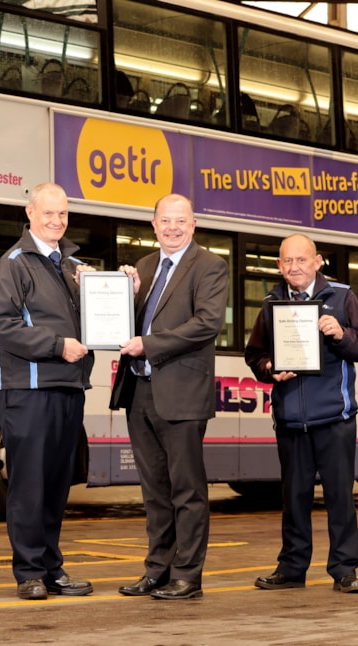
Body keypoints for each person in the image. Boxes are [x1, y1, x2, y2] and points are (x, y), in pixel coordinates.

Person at [244, 233, 358, 593]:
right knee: (294, 499)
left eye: (301, 260)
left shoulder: (342, 296)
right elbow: (253, 355)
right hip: (290, 419)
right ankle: (292, 567)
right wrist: (269, 366)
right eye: (287, 261)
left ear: (317, 262)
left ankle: (345, 569)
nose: (294, 267)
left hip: (334, 418)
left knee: (339, 497)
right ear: (279, 265)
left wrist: (342, 334)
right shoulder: (272, 302)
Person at [110, 194, 228, 600]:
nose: (173, 227)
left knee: (187, 490)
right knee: (154, 490)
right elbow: (128, 326)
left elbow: (206, 324)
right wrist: (124, 295)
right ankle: (157, 569)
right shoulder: (143, 267)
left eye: (181, 221)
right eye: (166, 221)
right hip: (139, 391)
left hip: (182, 394)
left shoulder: (211, 266)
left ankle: (187, 575)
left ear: (193, 224)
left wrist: (150, 345)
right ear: (154, 225)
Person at [0, 183, 95, 600]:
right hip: (30, 390)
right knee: (29, 484)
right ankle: (29, 571)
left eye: (63, 214)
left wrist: (113, 290)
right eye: (48, 213)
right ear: (29, 214)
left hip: (69, 387)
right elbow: (3, 325)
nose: (57, 221)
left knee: (55, 484)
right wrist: (56, 345)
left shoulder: (72, 266)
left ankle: (52, 567)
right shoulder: (15, 263)